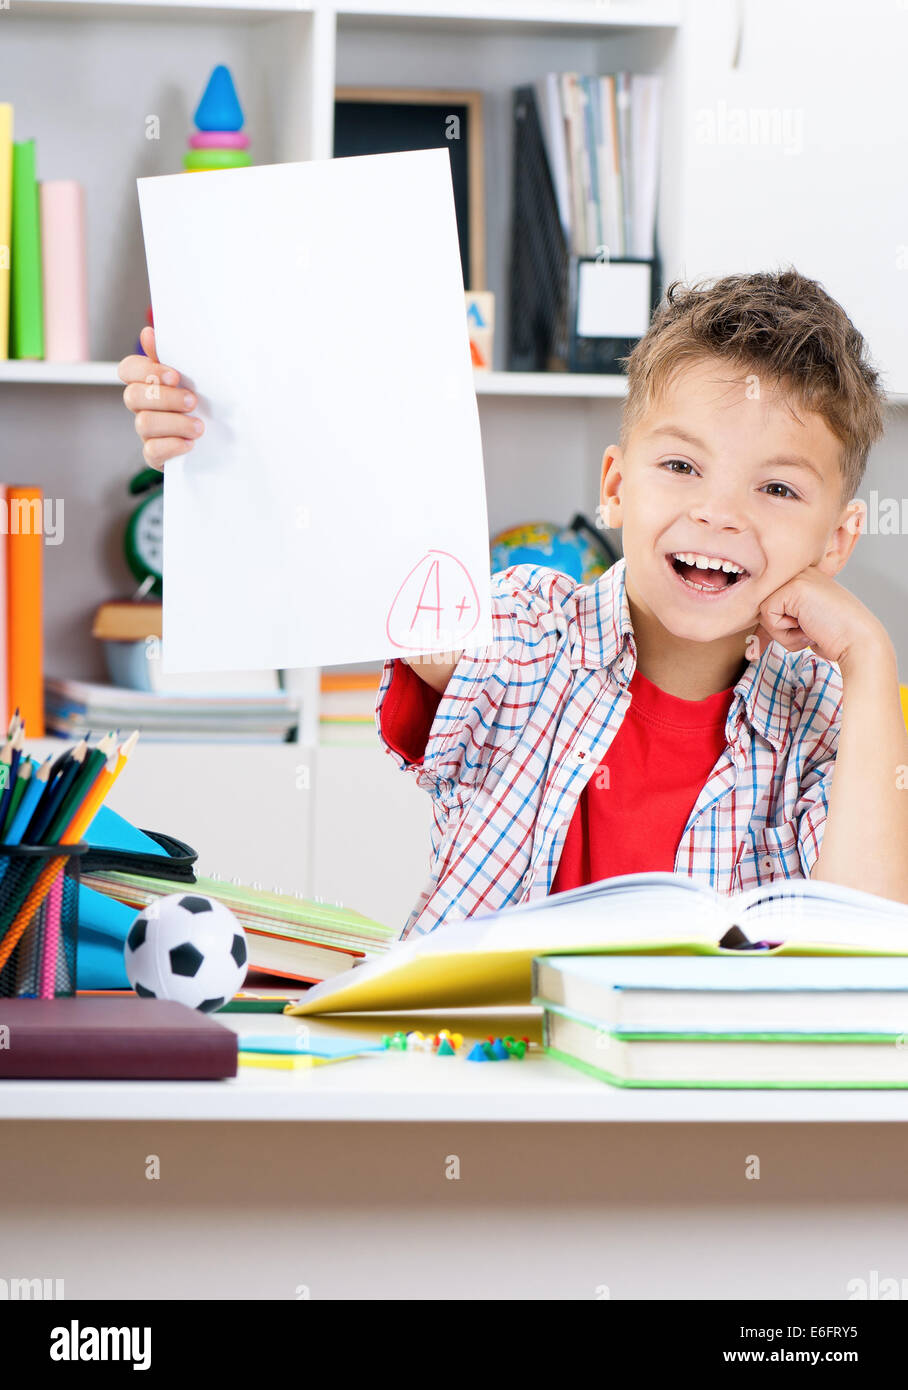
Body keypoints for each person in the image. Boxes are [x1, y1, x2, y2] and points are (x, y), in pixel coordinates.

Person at [117, 269, 908, 940]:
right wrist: (215, 437)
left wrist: (871, 664)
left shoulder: (836, 724)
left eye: (775, 488)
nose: (720, 513)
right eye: (681, 465)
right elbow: (346, 565)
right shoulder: (529, 634)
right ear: (616, 486)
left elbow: (863, 958)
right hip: (484, 1092)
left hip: (704, 1109)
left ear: (835, 541)